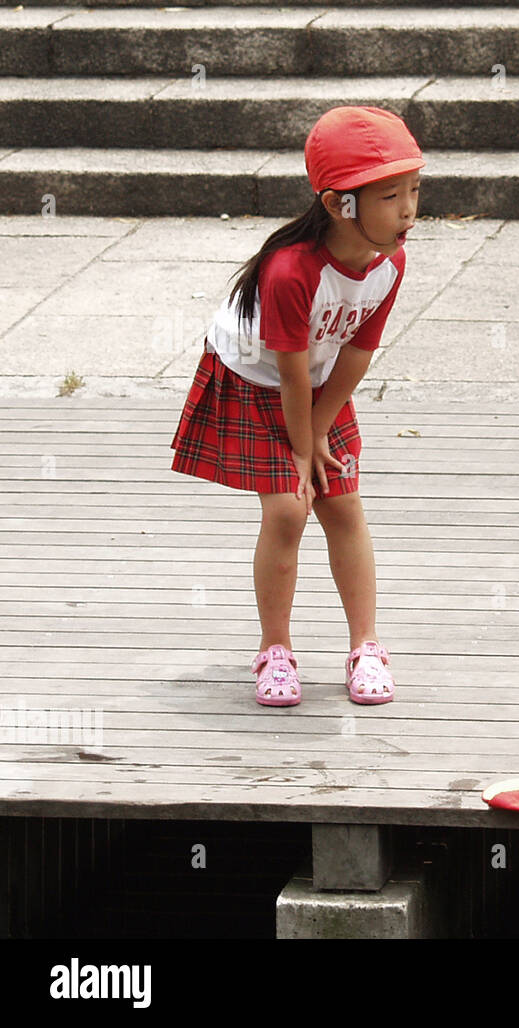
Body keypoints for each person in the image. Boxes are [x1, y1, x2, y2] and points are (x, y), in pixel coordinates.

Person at [170, 106, 423, 707]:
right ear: (340, 205)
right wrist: (302, 441)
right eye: (391, 196)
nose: (409, 208)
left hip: (322, 383)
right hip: (257, 382)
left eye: (414, 190)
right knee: (287, 510)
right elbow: (286, 372)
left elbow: (358, 351)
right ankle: (275, 649)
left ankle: (366, 645)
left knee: (342, 504)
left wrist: (324, 427)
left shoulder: (390, 260)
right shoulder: (289, 272)